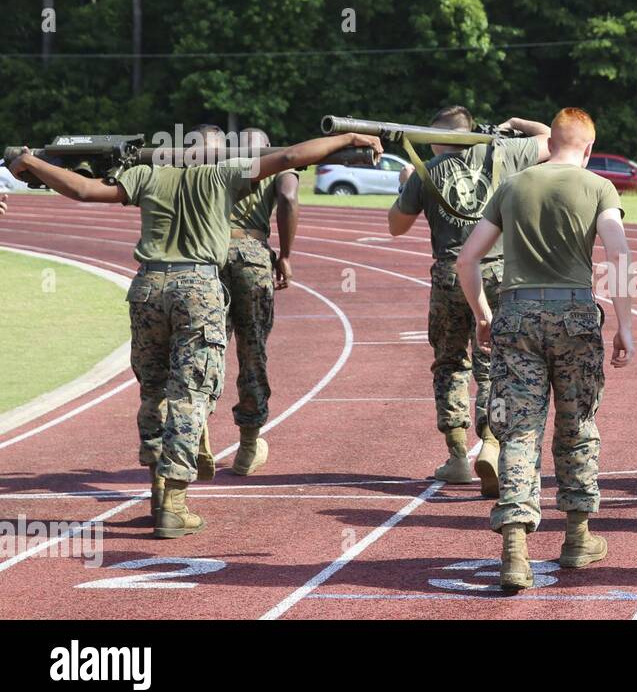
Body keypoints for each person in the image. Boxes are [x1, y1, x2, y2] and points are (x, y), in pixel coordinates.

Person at [5, 131, 383, 538]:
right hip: (197, 291)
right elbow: (291, 156)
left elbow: (81, 189)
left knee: (154, 392)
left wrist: (30, 162)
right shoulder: (225, 175)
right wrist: (348, 135)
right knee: (191, 395)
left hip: (148, 289)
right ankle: (174, 503)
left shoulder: (148, 174)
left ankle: (156, 488)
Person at [456, 107, 633, 592]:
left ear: (550, 142)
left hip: (515, 313)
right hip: (575, 314)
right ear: (589, 148)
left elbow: (466, 259)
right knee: (577, 426)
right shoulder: (599, 187)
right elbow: (617, 251)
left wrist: (483, 315)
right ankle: (577, 538)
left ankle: (515, 547)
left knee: (520, 430)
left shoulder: (514, 186)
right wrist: (625, 324)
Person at [389, 107, 550, 496]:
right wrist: (515, 124)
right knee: (494, 363)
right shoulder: (502, 153)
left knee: (449, 363)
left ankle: (458, 455)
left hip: (450, 273)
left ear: (441, 136)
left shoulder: (426, 170)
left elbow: (396, 227)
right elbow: (553, 137)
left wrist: (406, 185)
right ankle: (492, 444)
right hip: (499, 272)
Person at [216, 127, 300, 476]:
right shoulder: (278, 166)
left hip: (214, 254)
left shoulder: (217, 164)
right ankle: (248, 446)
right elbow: (289, 199)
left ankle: (199, 436)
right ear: (270, 149)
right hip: (253, 258)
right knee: (252, 353)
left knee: (208, 348)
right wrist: (286, 254)